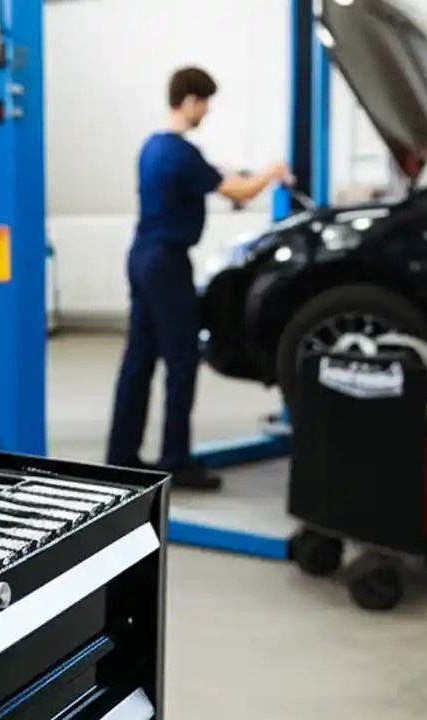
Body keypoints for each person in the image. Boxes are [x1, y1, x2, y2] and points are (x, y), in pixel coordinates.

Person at [106, 66, 289, 490]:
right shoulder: (182, 154)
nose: (206, 110)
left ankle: (121, 456)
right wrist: (271, 173)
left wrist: (229, 172)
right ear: (189, 101)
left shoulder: (153, 148)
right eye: (204, 102)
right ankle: (176, 460)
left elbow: (206, 174)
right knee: (182, 362)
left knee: (138, 360)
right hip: (168, 264)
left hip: (140, 257)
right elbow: (238, 192)